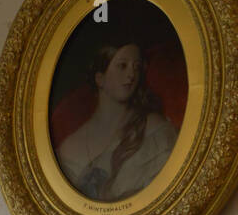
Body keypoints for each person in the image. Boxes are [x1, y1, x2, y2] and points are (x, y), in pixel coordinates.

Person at [55, 42, 177, 202]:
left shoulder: (154, 129)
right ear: (100, 78)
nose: (131, 75)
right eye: (122, 66)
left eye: (136, 67)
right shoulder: (69, 148)